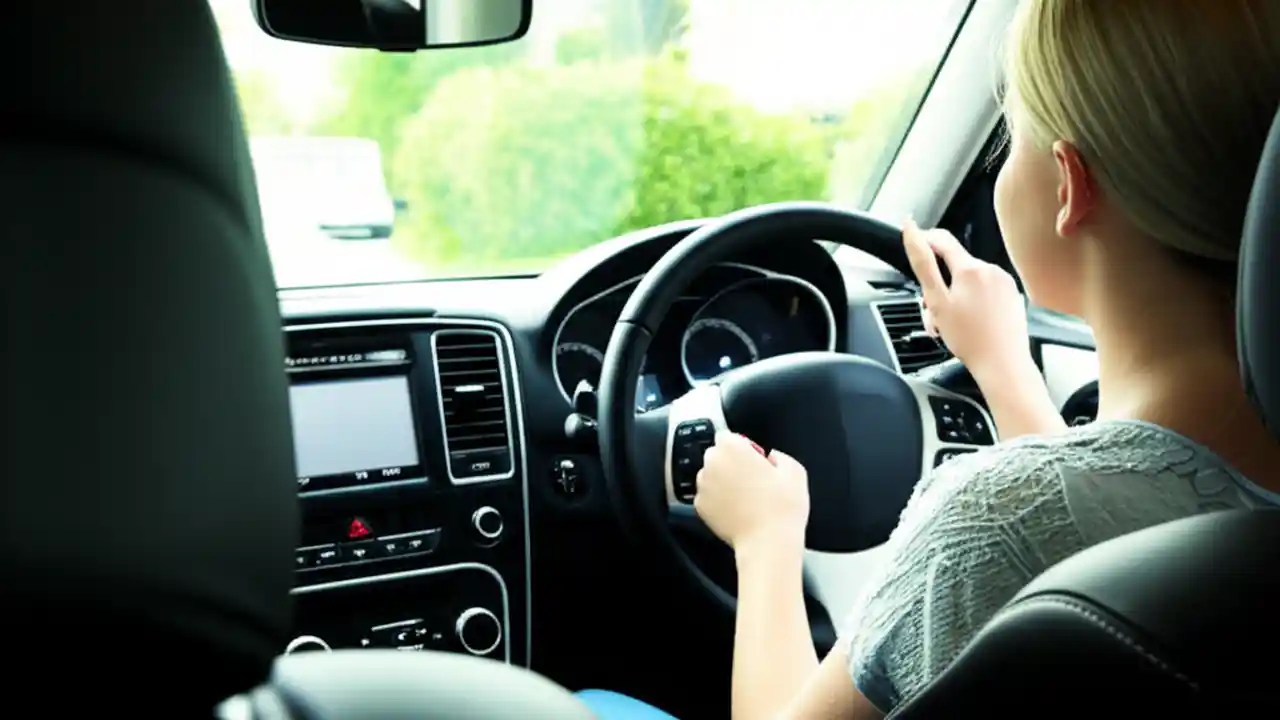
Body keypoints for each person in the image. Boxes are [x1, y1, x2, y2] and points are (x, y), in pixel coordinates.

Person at [577, 0, 1280, 717]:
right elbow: (1106, 537)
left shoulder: (992, 522)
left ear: (1070, 185)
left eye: (1011, 139)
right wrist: (1002, 366)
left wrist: (765, 538)